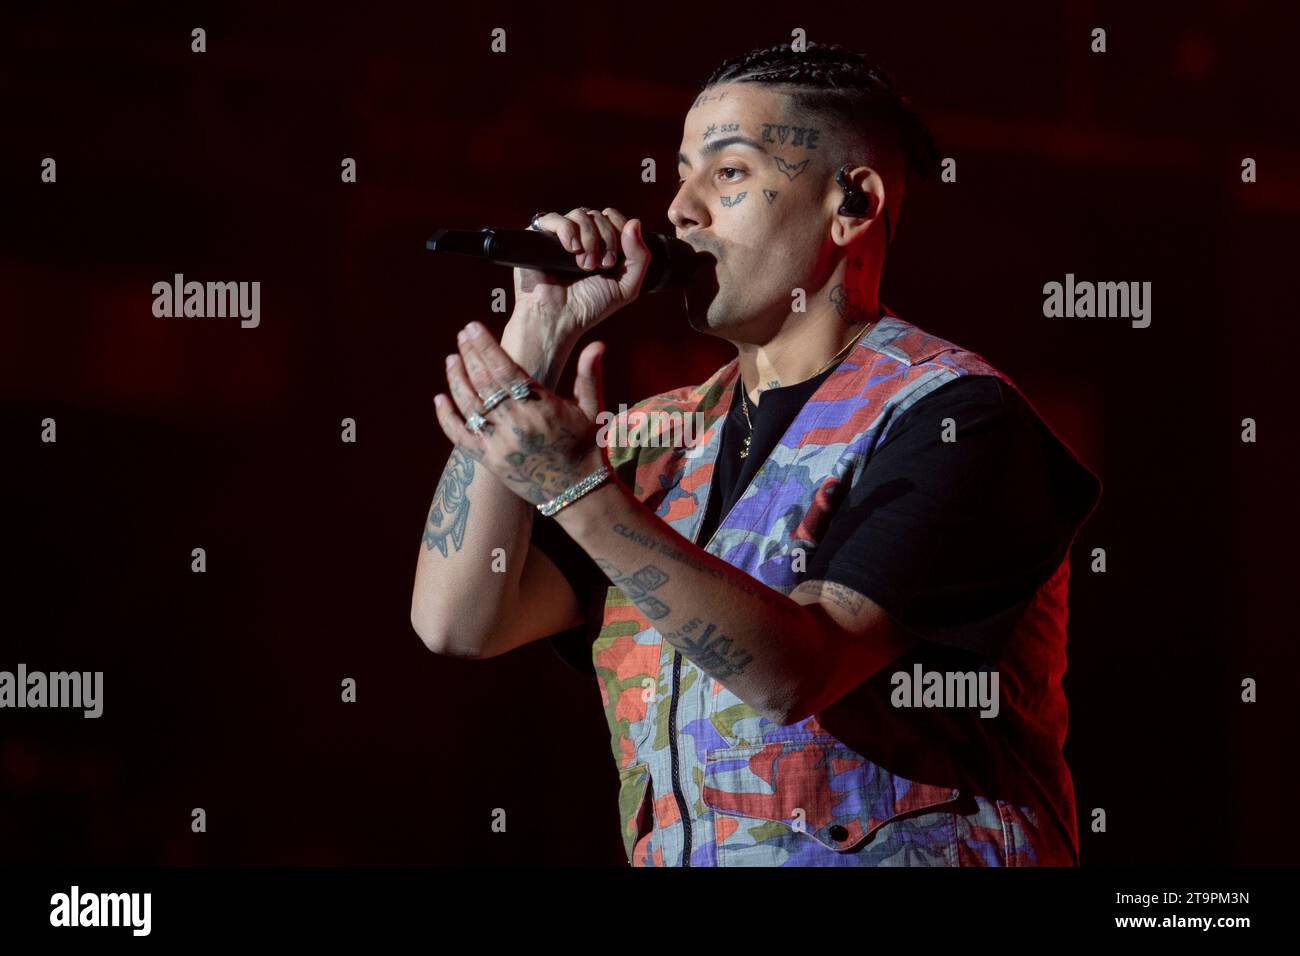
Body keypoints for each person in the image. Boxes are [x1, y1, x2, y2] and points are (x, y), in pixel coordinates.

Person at [411, 41, 1102, 867]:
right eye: (680, 173)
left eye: (728, 174)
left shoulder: (954, 417)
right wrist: (538, 337)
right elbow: (456, 623)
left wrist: (580, 490)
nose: (679, 210)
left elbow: (796, 674)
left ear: (852, 202)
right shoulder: (655, 440)